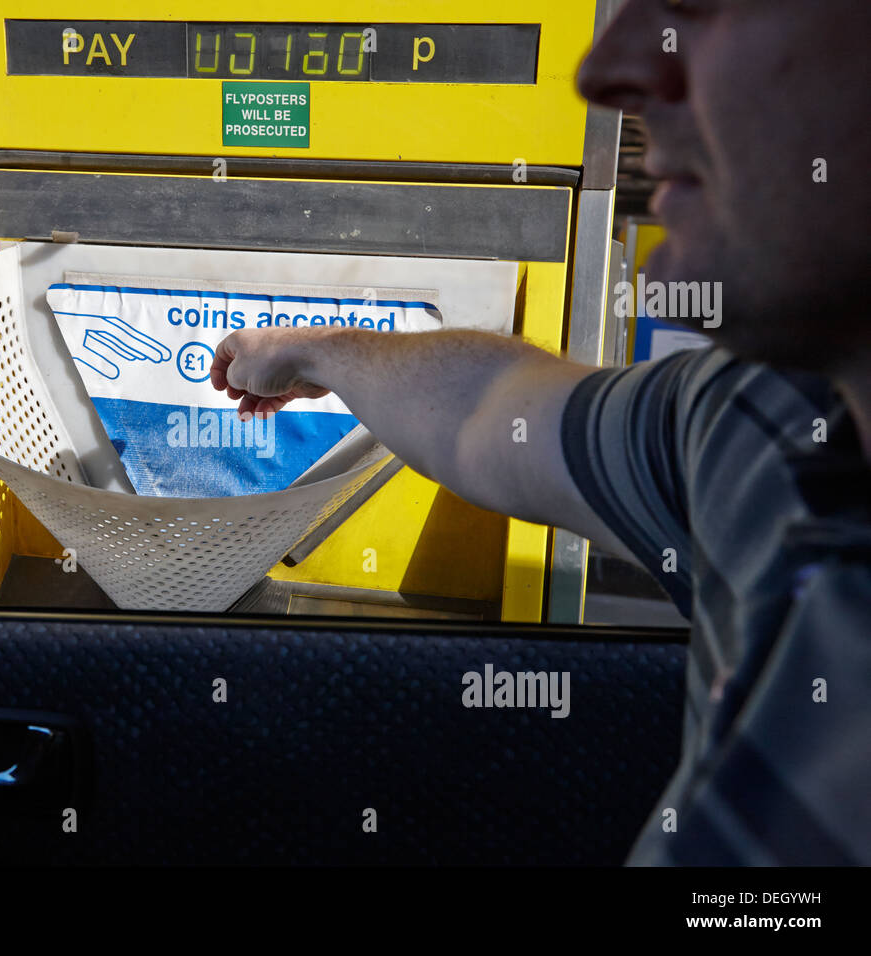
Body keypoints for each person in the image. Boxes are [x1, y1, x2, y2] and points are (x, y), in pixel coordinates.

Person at [210, 0, 871, 865]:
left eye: (699, 6)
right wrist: (310, 352)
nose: (605, 71)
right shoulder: (759, 423)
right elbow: (495, 409)